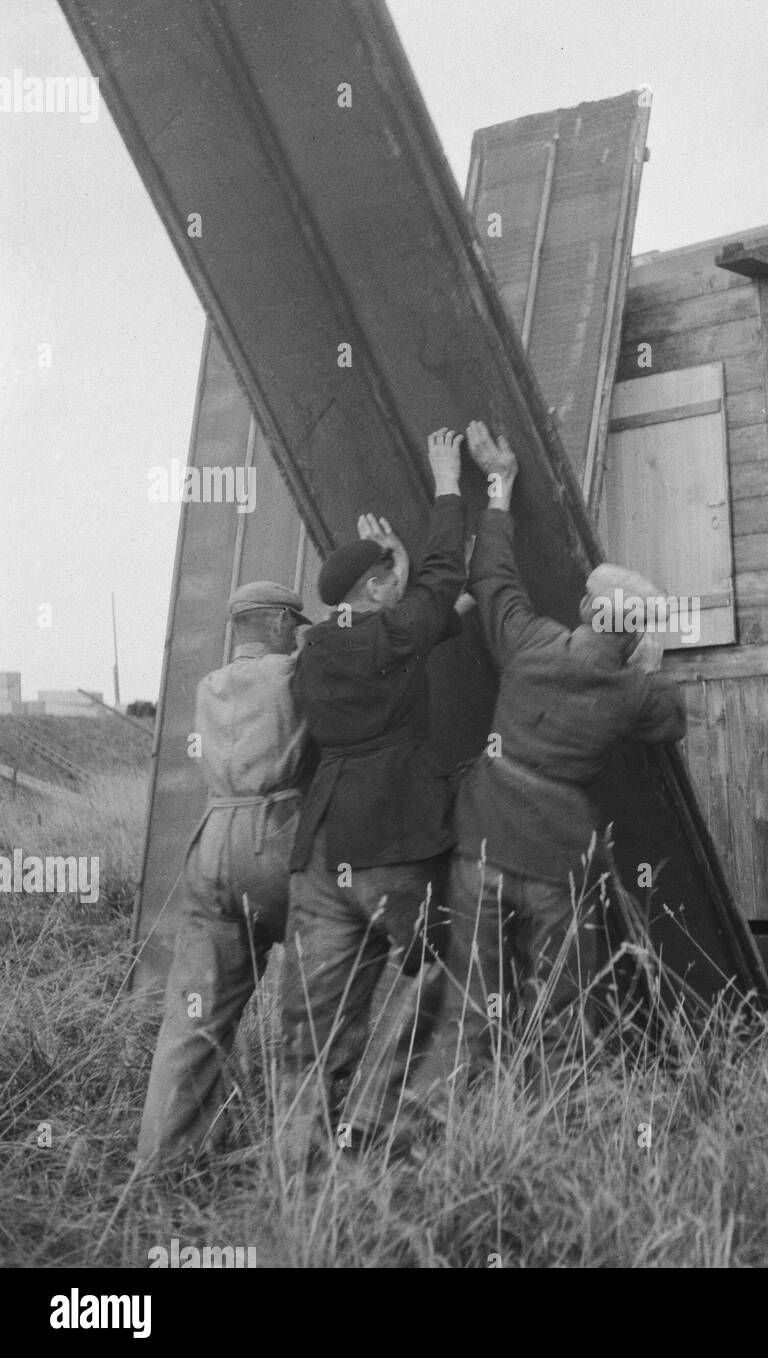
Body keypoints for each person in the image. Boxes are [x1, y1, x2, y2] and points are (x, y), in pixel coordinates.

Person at [422, 420, 686, 1107]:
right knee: (568, 1002)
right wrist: (649, 664)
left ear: (583, 608)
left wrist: (498, 485)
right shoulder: (632, 692)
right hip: (555, 860)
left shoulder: (529, 642)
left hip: (479, 841)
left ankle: (447, 1118)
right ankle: (559, 1118)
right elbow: (672, 722)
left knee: (471, 1001)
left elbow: (492, 576)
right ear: (631, 638)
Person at [279, 428, 467, 1154]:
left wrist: (395, 567)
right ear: (376, 591)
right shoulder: (390, 634)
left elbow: (417, 624)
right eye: (389, 580)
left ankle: (303, 1158)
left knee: (313, 1016)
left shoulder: (317, 650)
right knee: (445, 972)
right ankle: (386, 1126)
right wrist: (445, 479)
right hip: (389, 837)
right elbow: (444, 578)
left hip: (321, 851)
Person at [137, 580, 313, 1170]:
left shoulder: (208, 685)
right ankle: (302, 1161)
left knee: (193, 1014)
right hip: (277, 834)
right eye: (296, 624)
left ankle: (160, 1160)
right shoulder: (294, 673)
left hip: (211, 840)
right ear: (283, 623)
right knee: (316, 998)